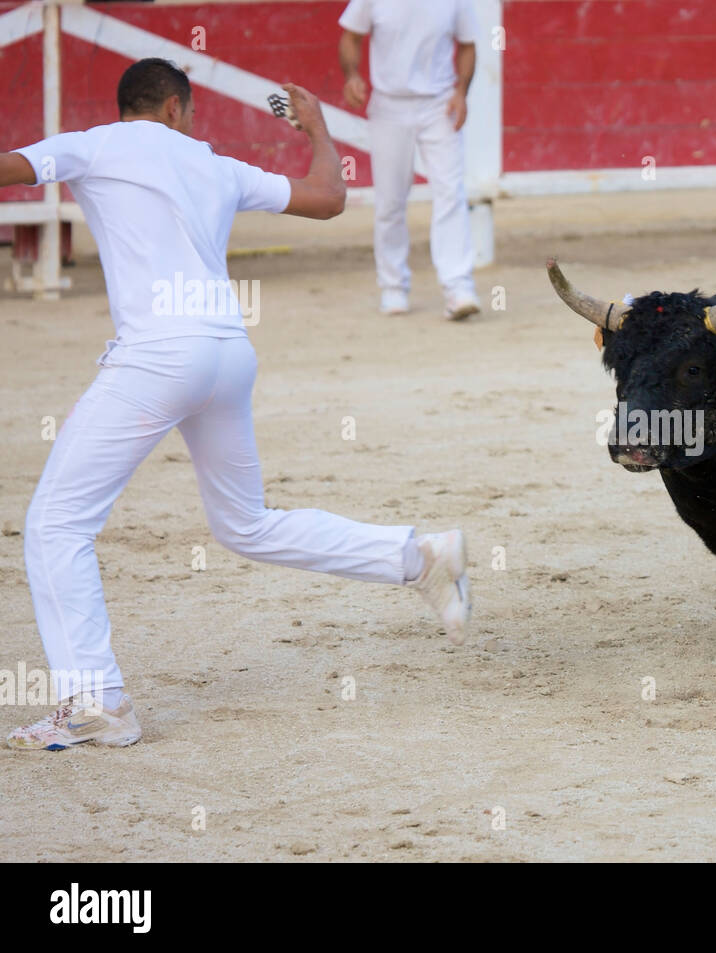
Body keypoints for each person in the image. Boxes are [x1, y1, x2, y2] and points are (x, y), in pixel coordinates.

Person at [0, 59, 471, 752]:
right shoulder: (215, 164)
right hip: (225, 352)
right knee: (245, 523)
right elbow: (327, 198)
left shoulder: (95, 142)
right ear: (174, 109)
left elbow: (10, 167)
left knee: (55, 523)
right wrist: (318, 129)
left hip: (158, 357)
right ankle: (418, 557)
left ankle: (97, 702)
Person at [339, 0, 481, 319]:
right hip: (389, 105)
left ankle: (459, 287)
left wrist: (461, 92)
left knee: (450, 192)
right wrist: (352, 75)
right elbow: (350, 36)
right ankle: (393, 287)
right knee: (390, 200)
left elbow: (468, 45)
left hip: (440, 103)